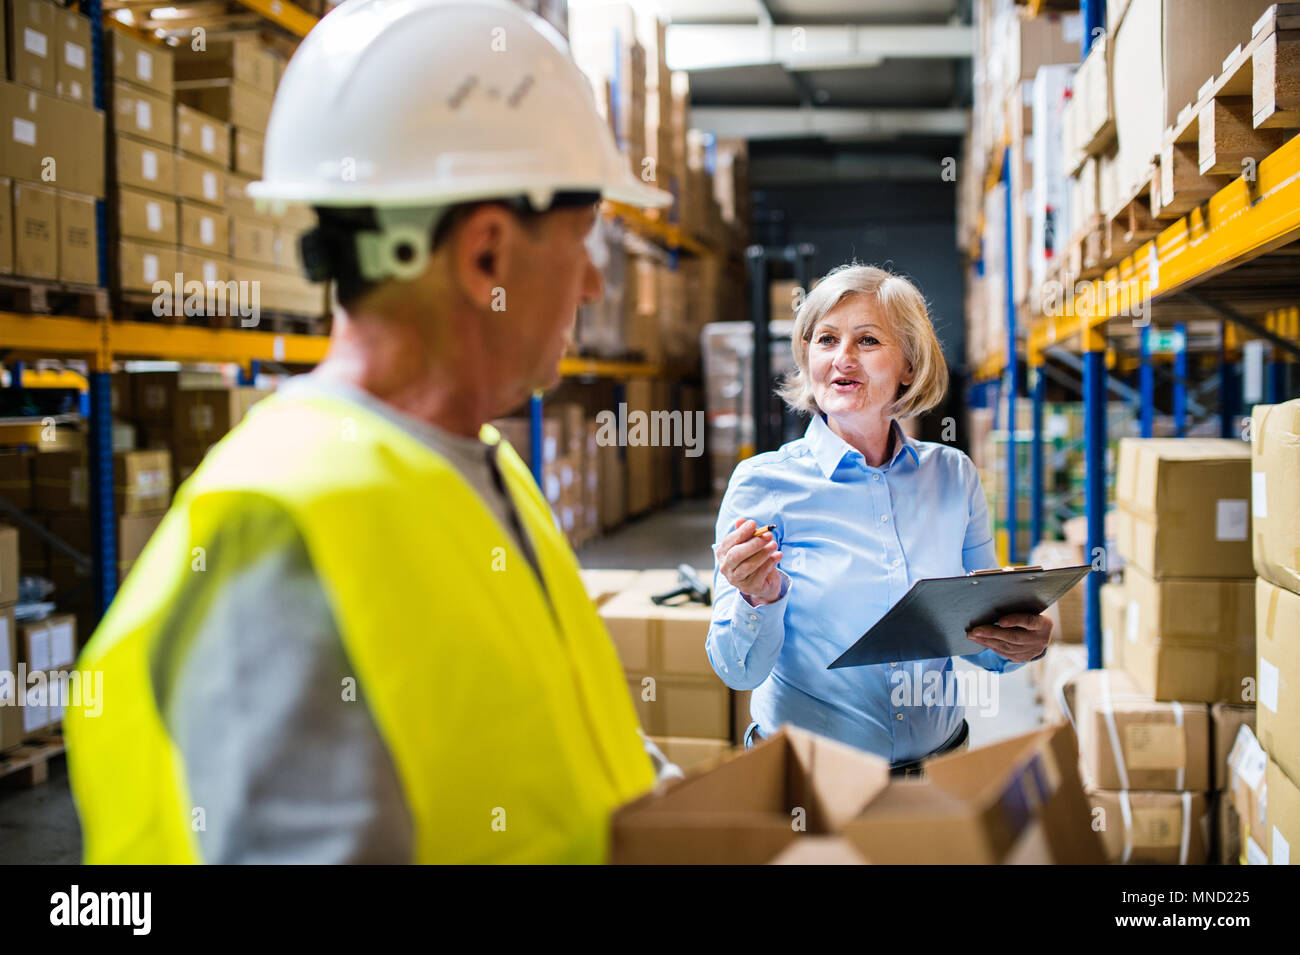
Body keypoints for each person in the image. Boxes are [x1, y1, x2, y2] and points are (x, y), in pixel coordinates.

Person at [65, 0, 676, 864]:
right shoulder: (284, 523)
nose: (592, 286)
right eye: (585, 242)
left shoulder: (481, 467)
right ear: (487, 257)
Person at [708, 264, 1052, 774]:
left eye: (867, 340)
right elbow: (737, 670)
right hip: (811, 781)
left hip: (939, 772)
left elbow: (982, 636)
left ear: (908, 365)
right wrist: (758, 598)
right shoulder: (763, 485)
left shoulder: (953, 476)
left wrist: (1020, 642)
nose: (842, 358)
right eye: (826, 339)